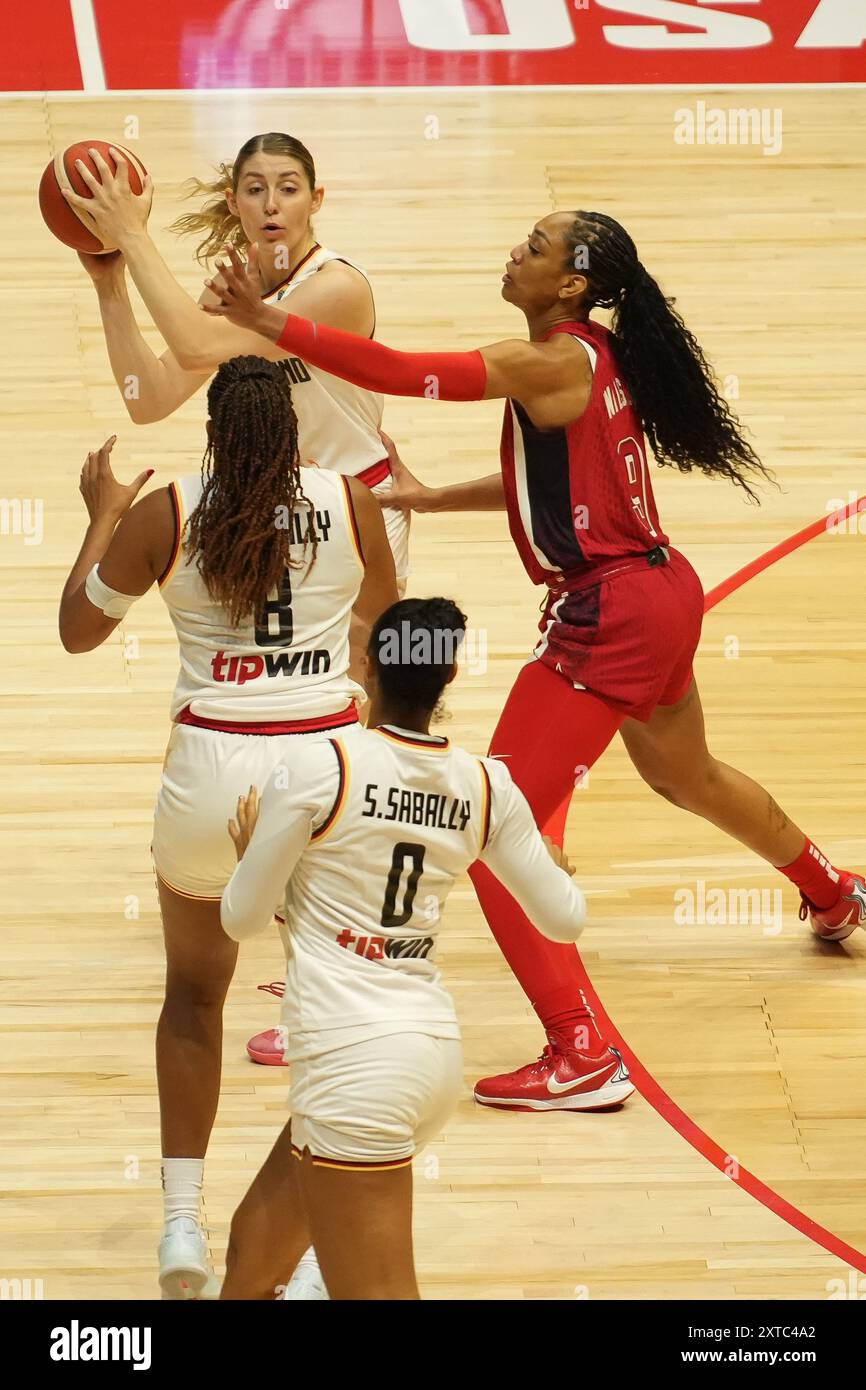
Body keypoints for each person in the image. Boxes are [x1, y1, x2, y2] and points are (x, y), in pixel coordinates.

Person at [200, 216, 866, 1116]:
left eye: (540, 245)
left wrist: (270, 322)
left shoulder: (547, 361)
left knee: (489, 837)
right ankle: (835, 894)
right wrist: (434, 500)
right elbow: (554, 482)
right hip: (659, 591)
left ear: (572, 286)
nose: (518, 247)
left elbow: (399, 370)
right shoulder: (584, 356)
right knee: (688, 776)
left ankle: (581, 1051)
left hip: (610, 615)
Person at [64, 129, 407, 1066]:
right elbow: (150, 394)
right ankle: (317, 930)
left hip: (349, 511)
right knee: (299, 726)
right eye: (252, 187)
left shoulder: (338, 284)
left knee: (361, 726)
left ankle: (345, 962)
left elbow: (196, 340)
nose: (268, 204)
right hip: (272, 521)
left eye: (286, 188)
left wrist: (136, 238)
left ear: (316, 199)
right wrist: (106, 279)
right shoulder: (237, 288)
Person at [58, 355, 398, 1297]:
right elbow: (389, 627)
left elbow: (76, 630)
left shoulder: (166, 509)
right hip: (325, 769)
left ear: (214, 434)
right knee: (335, 1016)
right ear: (293, 436)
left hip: (211, 771)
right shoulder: (349, 501)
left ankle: (179, 1225)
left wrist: (98, 520)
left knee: (195, 1000)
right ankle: (321, 1258)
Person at [218, 597, 601, 1301]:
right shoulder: (489, 784)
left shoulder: (321, 766)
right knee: (251, 1258)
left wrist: (252, 861)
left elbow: (241, 919)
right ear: (450, 675)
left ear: (367, 669)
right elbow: (564, 920)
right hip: (425, 1056)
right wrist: (556, 867)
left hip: (354, 1062)